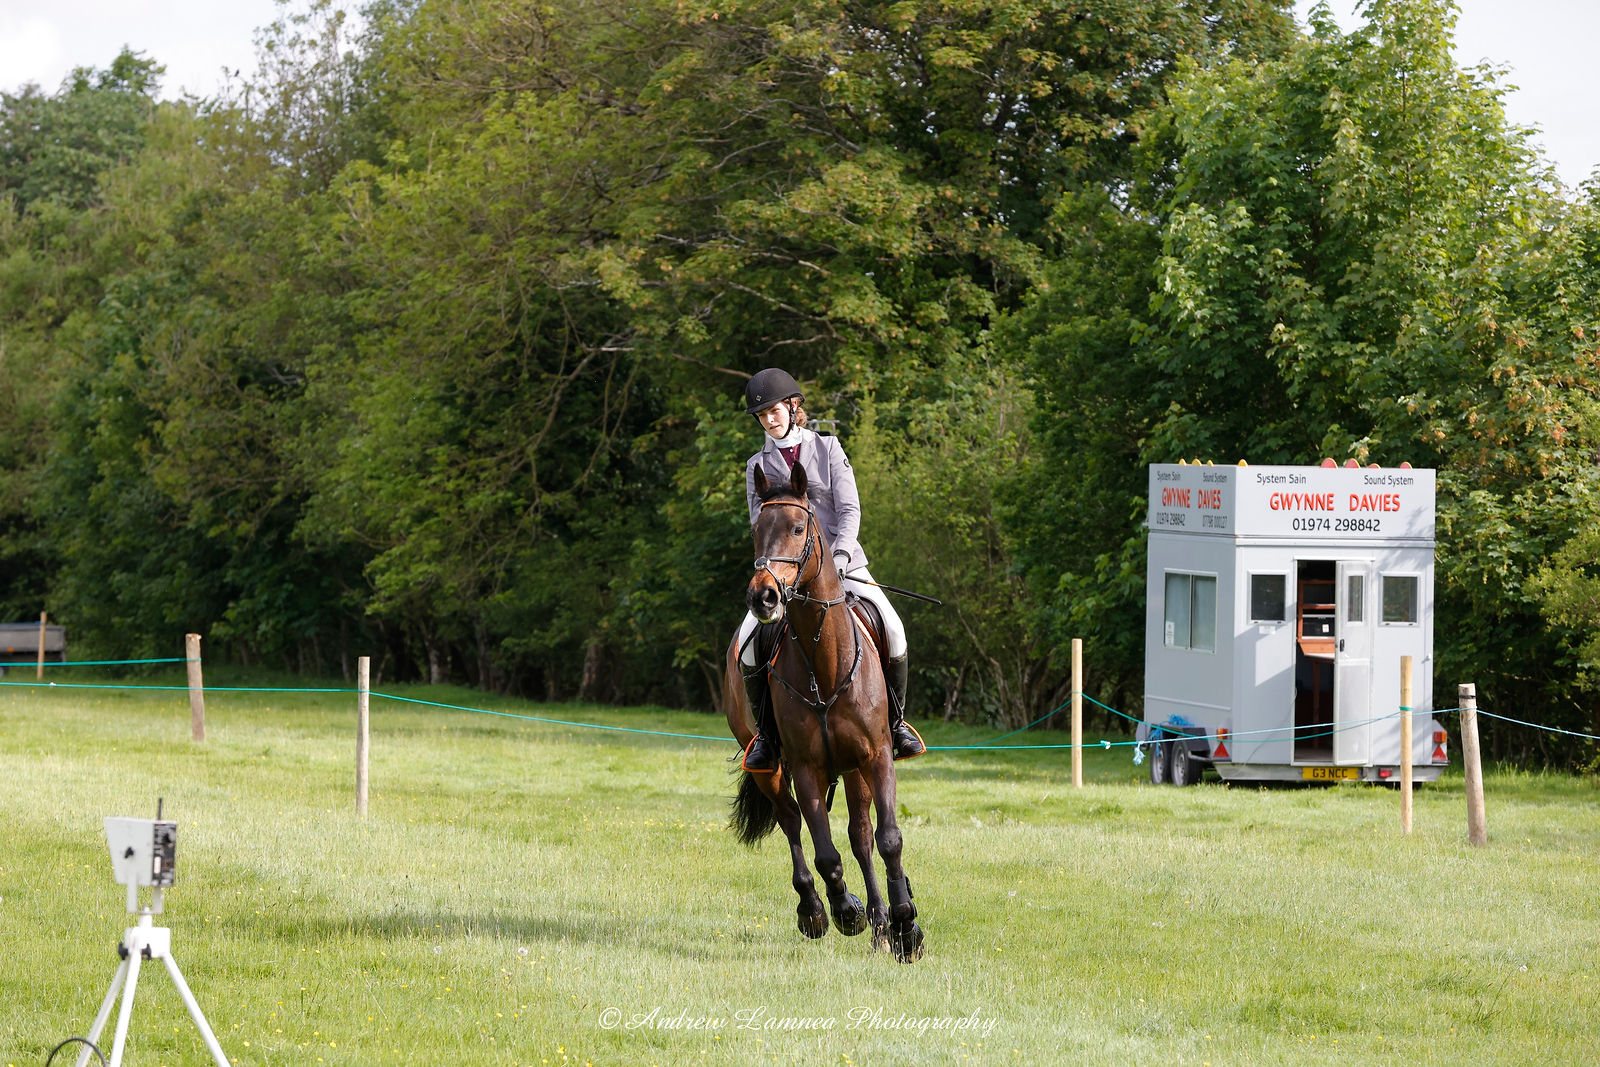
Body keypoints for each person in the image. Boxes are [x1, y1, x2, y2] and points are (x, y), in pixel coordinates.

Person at [736, 368, 924, 771]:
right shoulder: (757, 465)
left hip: (843, 565)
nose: (769, 420)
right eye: (762, 415)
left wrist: (840, 558)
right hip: (787, 576)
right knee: (748, 643)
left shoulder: (827, 448)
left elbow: (850, 509)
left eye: (774, 411)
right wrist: (770, 571)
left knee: (894, 629)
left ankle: (896, 725)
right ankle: (766, 738)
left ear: (793, 407)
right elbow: (758, 525)